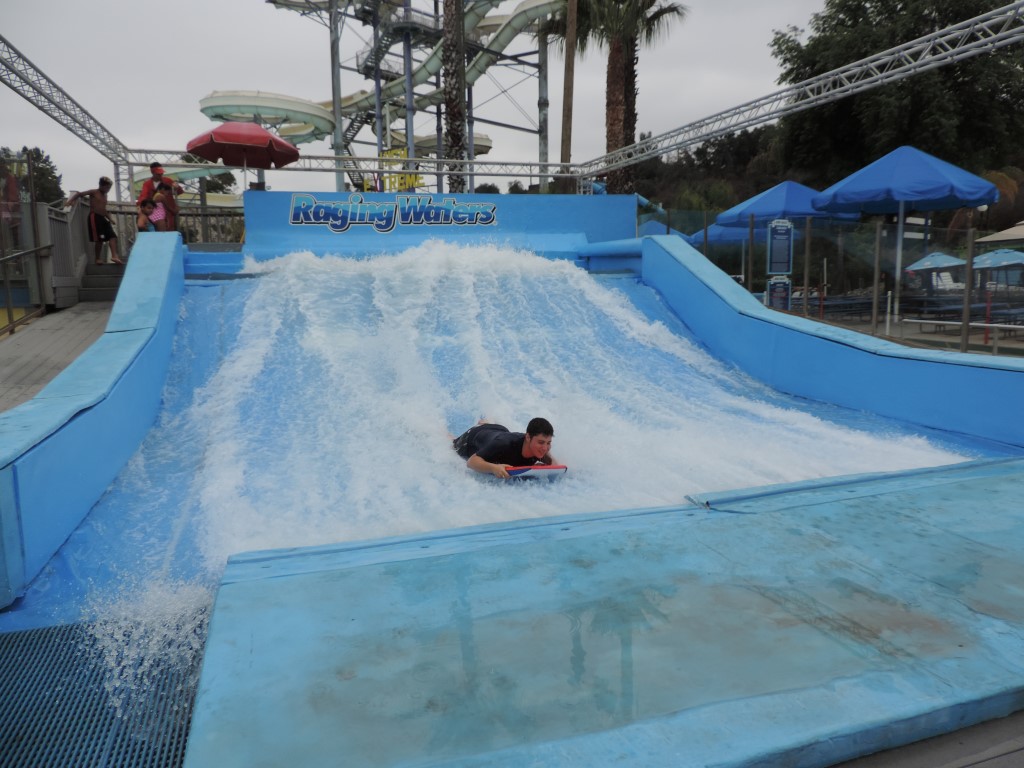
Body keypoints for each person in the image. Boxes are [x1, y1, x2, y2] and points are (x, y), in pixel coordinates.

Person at [452, 418, 557, 479]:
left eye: (548, 443)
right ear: (528, 437)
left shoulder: (540, 449)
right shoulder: (504, 445)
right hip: (473, 437)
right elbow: (471, 462)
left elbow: (555, 465)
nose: (545, 448)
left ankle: (486, 423)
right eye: (541, 442)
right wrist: (494, 468)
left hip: (500, 430)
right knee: (452, 444)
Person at [67, 176, 123, 265]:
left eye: (109, 188)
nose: (108, 189)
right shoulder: (94, 192)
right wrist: (70, 201)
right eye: (107, 187)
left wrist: (110, 219)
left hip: (103, 218)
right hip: (94, 217)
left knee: (113, 236)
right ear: (101, 185)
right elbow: (79, 194)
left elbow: (103, 209)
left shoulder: (105, 196)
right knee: (99, 239)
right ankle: (97, 258)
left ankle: (114, 256)